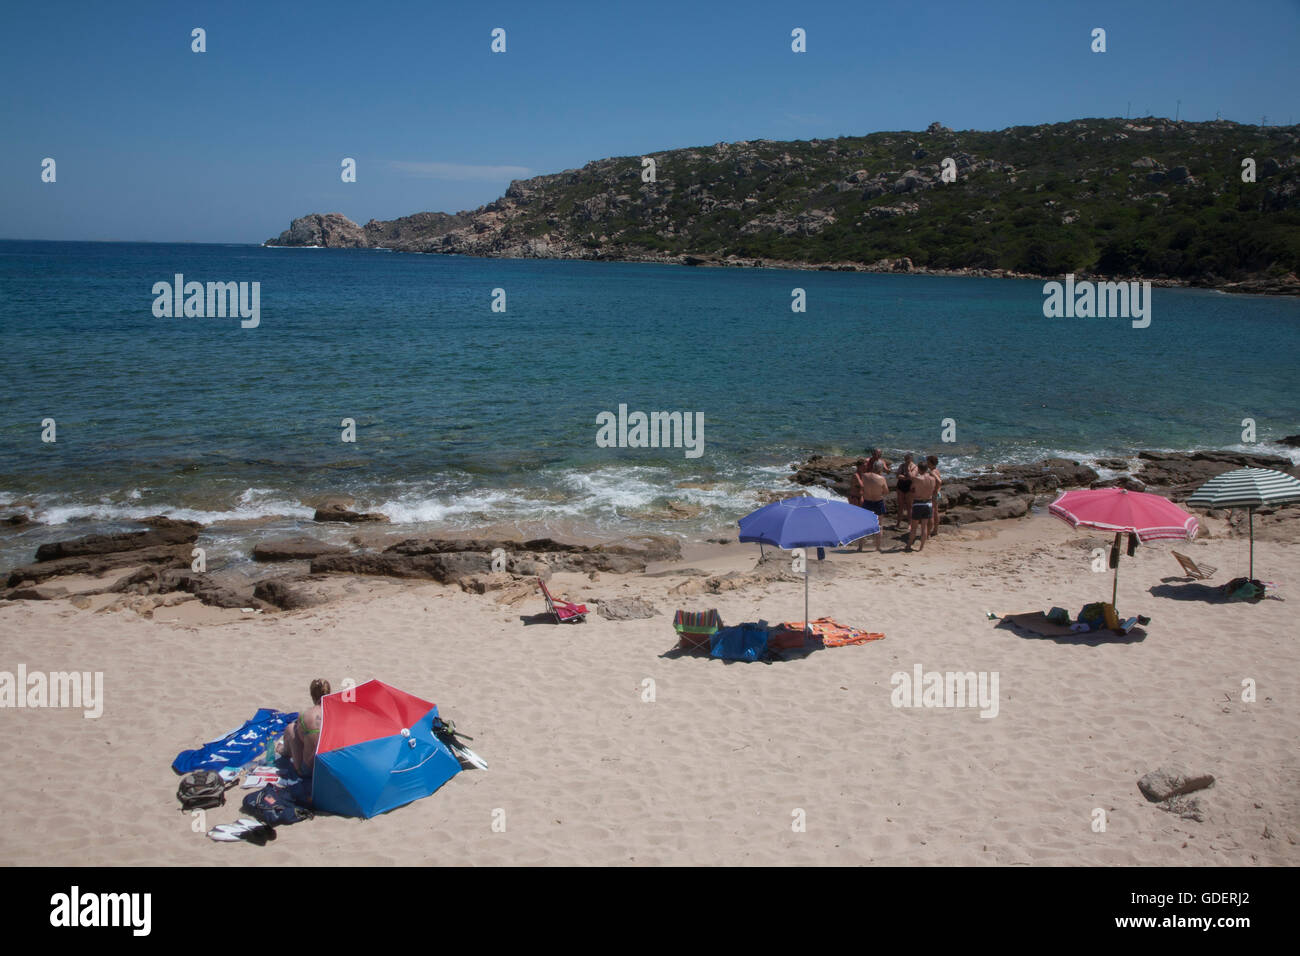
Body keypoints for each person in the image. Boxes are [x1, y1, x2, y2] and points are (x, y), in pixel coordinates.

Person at [282, 678, 330, 777]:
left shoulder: (305, 714)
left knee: (291, 729)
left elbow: (301, 739)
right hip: (331, 766)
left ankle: (285, 752)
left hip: (310, 770)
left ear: (312, 695)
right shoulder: (336, 712)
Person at [858, 460, 888, 551]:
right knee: (879, 525)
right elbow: (886, 492)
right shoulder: (881, 478)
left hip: (867, 501)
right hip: (877, 502)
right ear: (881, 469)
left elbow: (860, 486)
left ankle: (860, 547)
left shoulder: (864, 476)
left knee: (863, 525)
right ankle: (877, 548)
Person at [909, 462, 938, 551]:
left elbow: (910, 477)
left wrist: (912, 469)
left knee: (914, 527)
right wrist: (933, 473)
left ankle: (909, 545)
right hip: (928, 503)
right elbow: (939, 481)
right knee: (924, 527)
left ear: (919, 469)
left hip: (918, 502)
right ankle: (921, 547)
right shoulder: (932, 479)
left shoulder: (918, 479)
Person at [894, 453, 917, 531]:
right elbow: (898, 475)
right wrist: (906, 477)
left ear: (911, 459)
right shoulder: (901, 466)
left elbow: (912, 477)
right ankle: (898, 523)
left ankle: (909, 524)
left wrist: (907, 470)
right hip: (901, 487)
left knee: (909, 506)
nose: (906, 460)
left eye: (907, 458)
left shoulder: (914, 467)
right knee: (900, 506)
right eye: (905, 458)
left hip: (909, 488)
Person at [926, 455, 943, 536]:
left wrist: (936, 490)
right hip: (936, 493)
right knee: (935, 512)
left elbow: (939, 481)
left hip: (934, 494)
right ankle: (935, 530)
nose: (927, 463)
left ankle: (929, 532)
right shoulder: (936, 470)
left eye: (928, 462)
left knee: (931, 514)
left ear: (930, 462)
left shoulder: (932, 472)